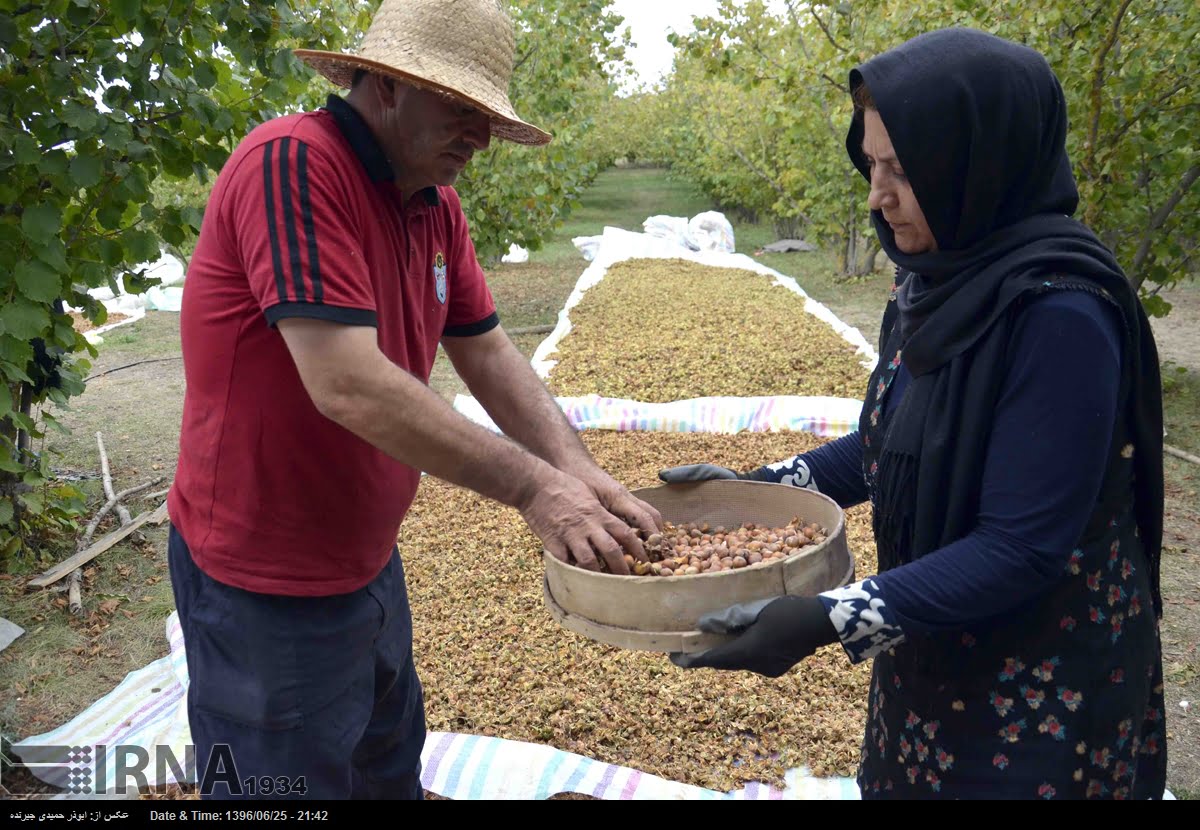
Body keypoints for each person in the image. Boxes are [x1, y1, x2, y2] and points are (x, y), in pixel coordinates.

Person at [167, 0, 661, 800]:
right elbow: (346, 381)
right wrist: (536, 488)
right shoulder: (292, 164)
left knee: (386, 769)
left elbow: (488, 349)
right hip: (265, 578)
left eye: (486, 117)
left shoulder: (435, 202)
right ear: (388, 87)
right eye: (459, 108)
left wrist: (580, 468)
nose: (478, 134)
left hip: (366, 561)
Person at [660, 28, 1166, 800]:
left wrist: (827, 617)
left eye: (904, 169)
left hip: (1039, 689)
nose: (876, 194)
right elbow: (888, 442)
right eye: (872, 165)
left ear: (978, 163)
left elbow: (1021, 548)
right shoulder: (932, 281)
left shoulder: (1060, 314)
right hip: (932, 651)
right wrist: (762, 487)